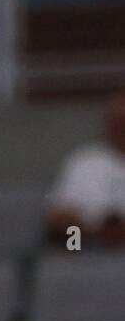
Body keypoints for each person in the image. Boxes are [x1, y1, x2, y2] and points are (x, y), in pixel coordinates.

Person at [44, 91, 125, 248]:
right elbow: (57, 219)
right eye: (117, 122)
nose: (121, 130)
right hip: (86, 253)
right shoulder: (83, 161)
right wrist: (95, 231)